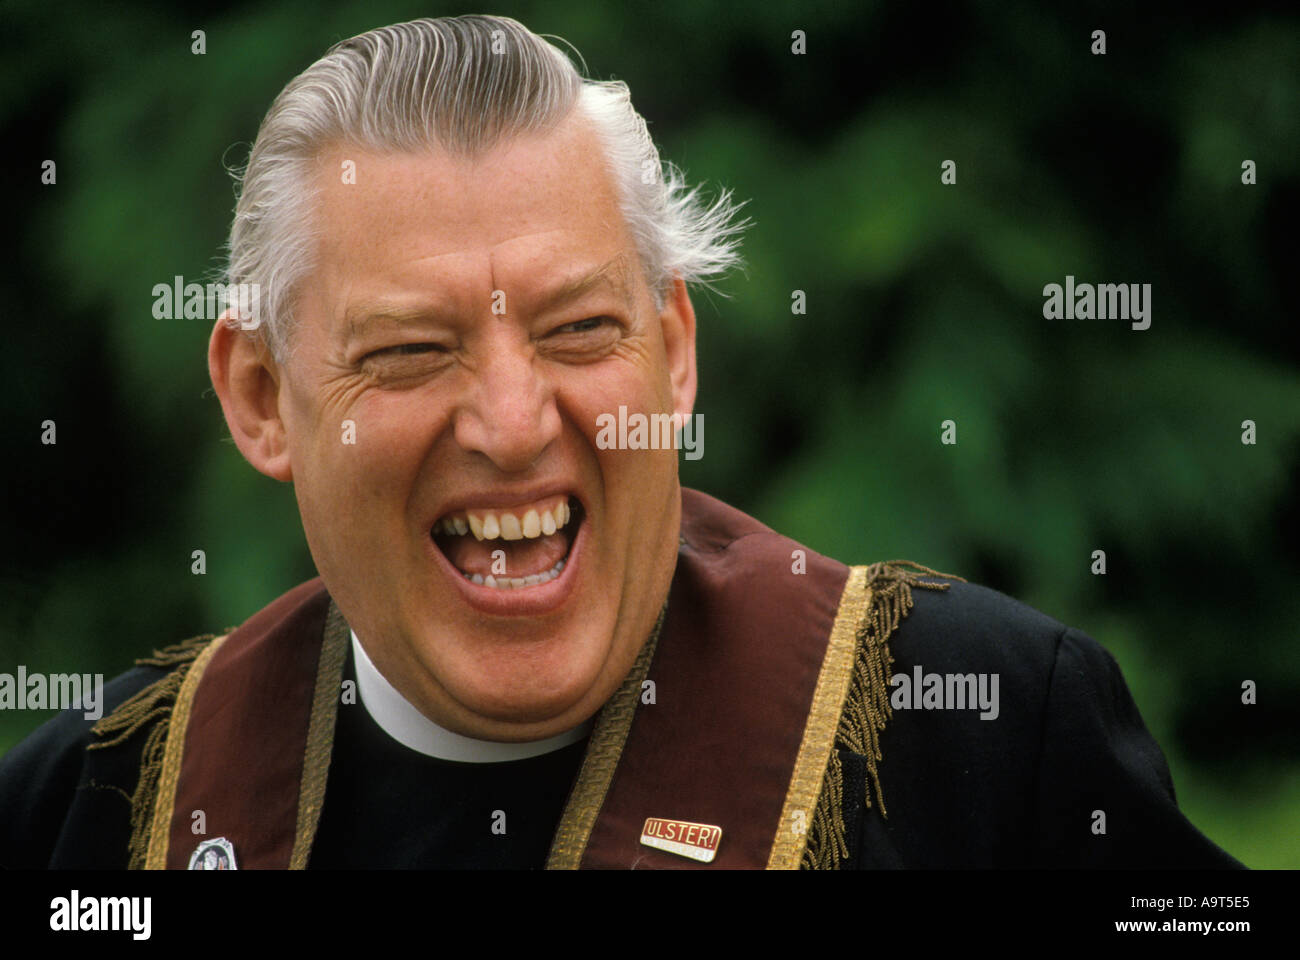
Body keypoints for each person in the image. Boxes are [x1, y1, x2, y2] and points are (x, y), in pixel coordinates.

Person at [0, 15, 1242, 870]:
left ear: (675, 349)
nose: (511, 422)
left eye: (580, 329)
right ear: (261, 397)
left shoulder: (986, 742)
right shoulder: (89, 815)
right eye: (412, 351)